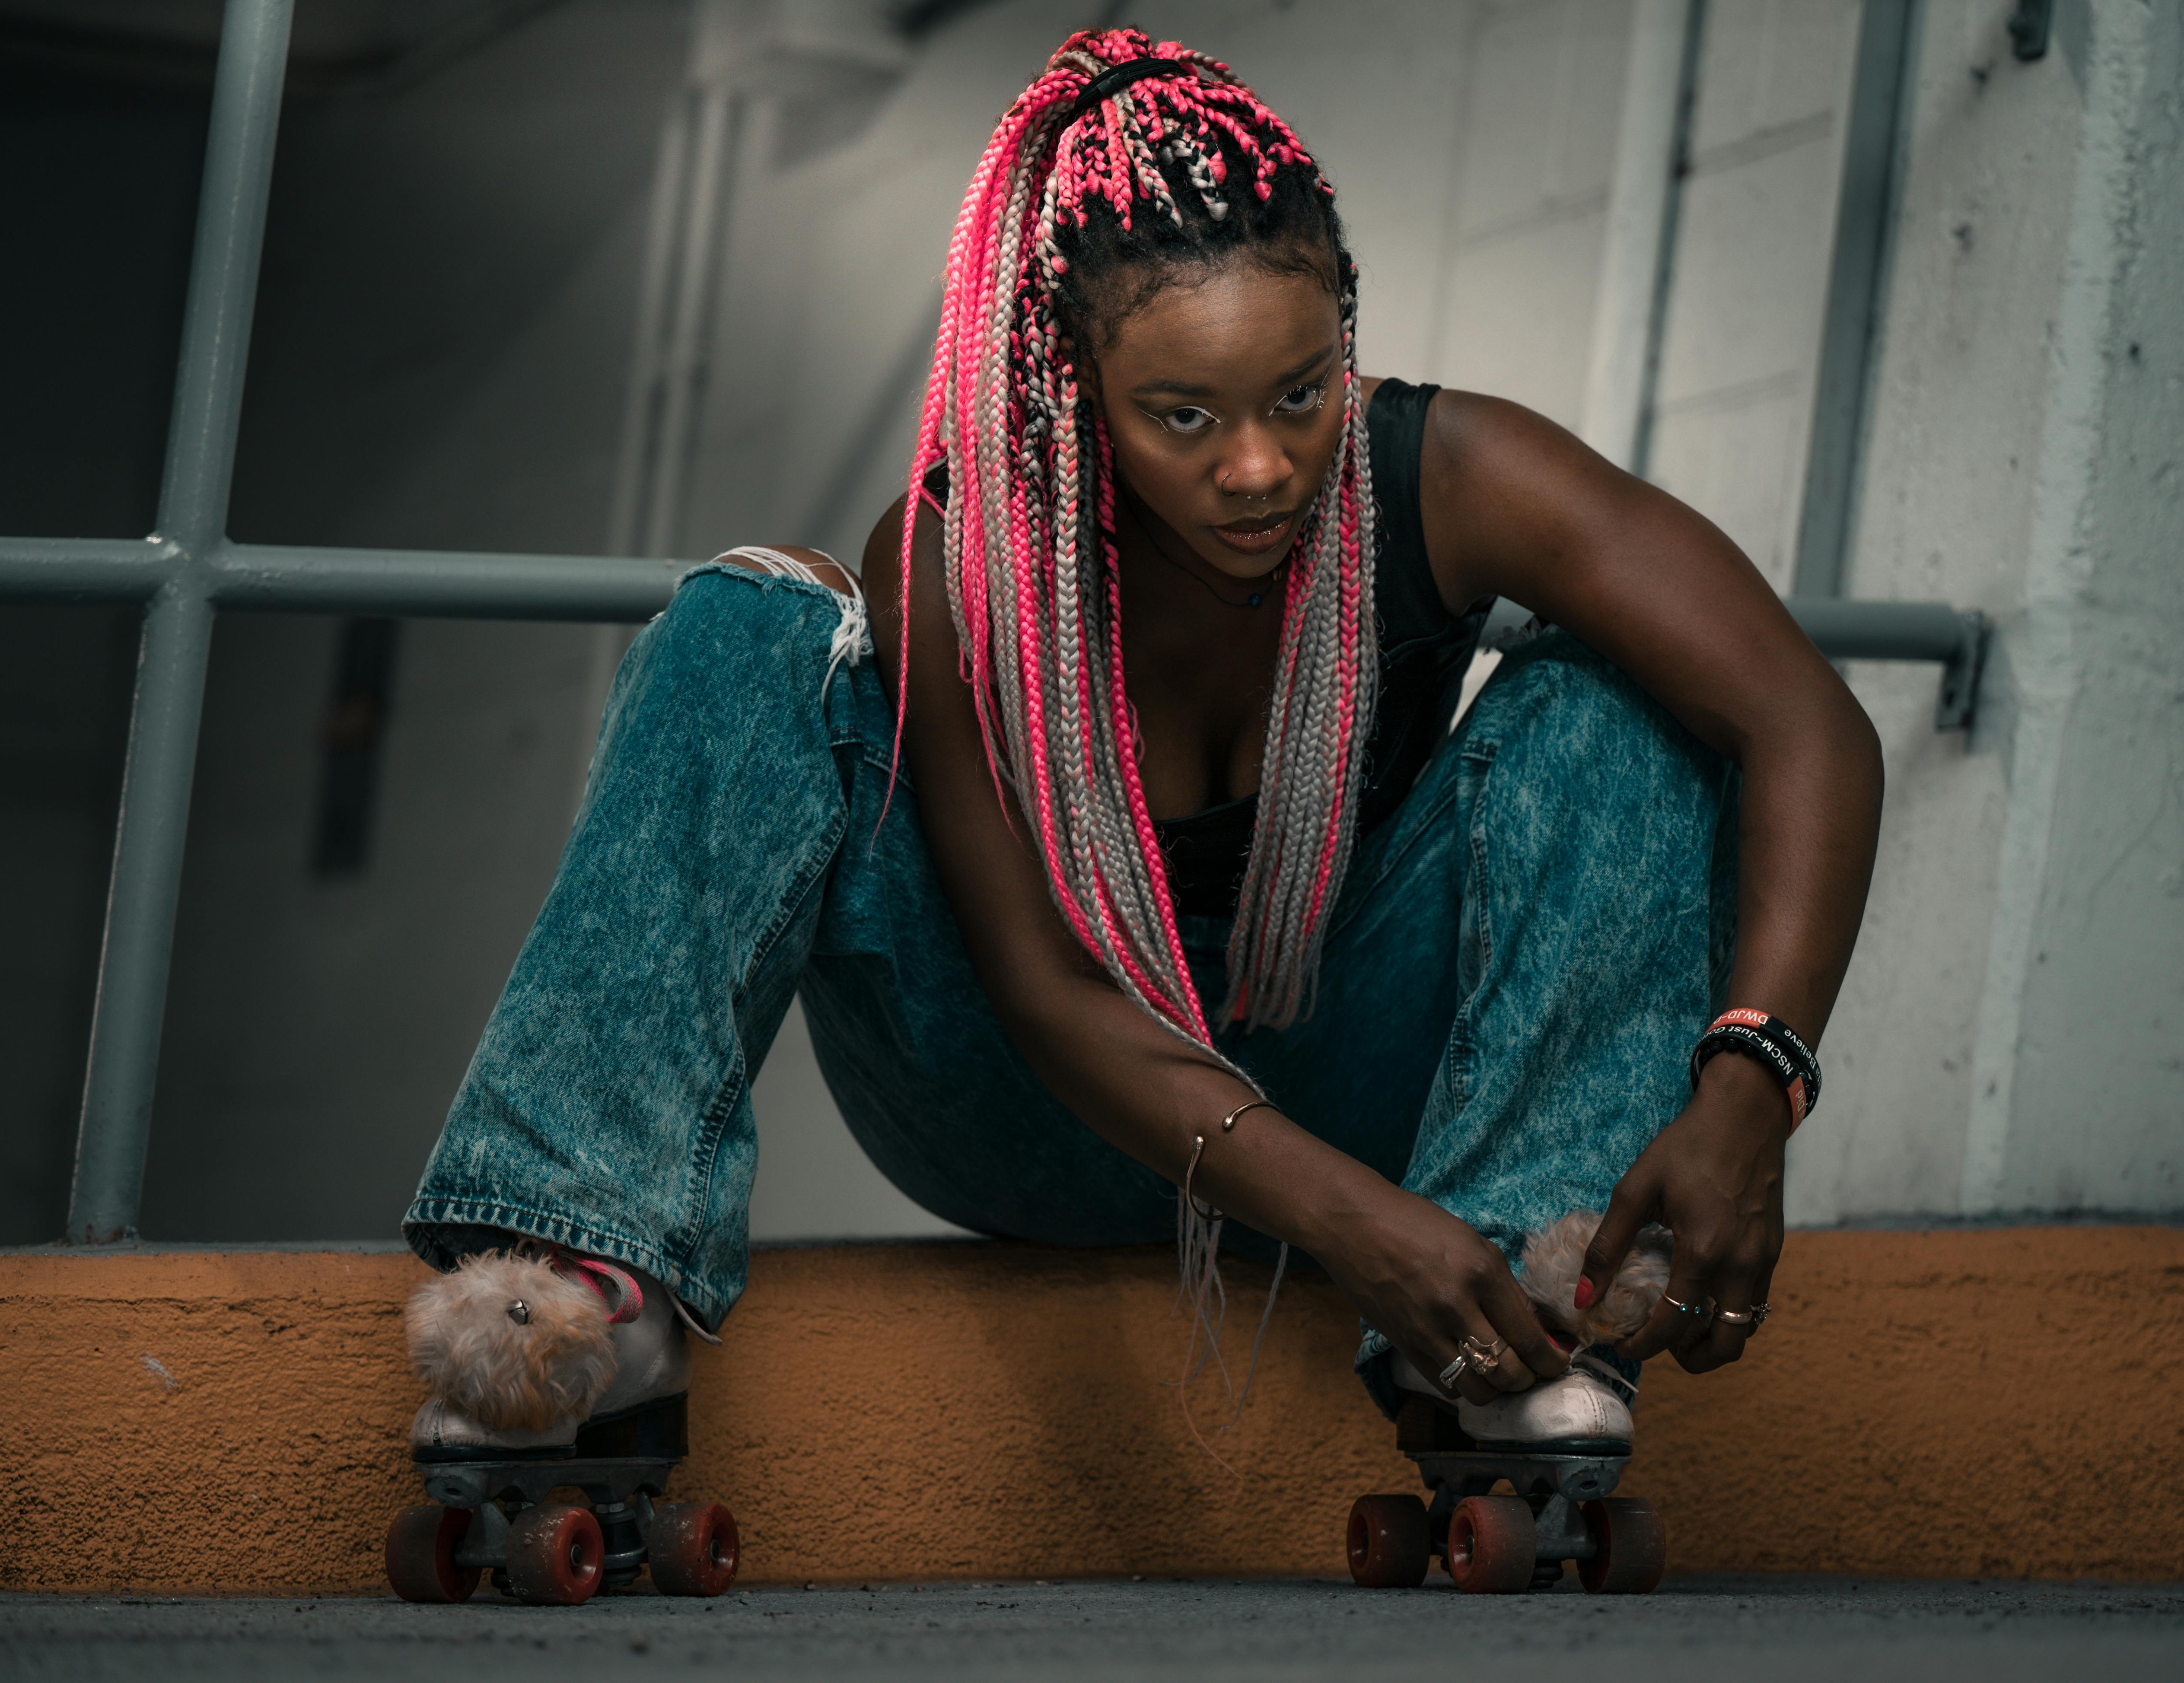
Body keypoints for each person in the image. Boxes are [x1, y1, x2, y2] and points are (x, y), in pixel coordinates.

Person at [397, 29, 1881, 1468]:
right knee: (753, 622)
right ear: (1073, 390)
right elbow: (1045, 993)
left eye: (1300, 393)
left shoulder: (1446, 475)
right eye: (1183, 415)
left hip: (1340, 1081)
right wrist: (1355, 1222)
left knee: (1612, 691)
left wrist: (1752, 1082)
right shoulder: (959, 557)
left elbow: (1800, 717)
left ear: (1343, 333)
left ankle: (1525, 1302)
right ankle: (581, 1276)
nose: (1259, 465)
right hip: (1021, 1105)